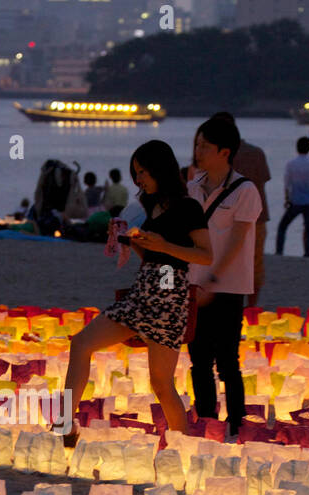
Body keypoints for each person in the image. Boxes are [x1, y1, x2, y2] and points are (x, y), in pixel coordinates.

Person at [62, 140, 212, 441]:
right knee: (81, 344)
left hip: (170, 295)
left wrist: (164, 245)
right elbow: (152, 255)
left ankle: (181, 446)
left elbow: (206, 255)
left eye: (142, 172)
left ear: (160, 170)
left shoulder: (188, 207)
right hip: (142, 291)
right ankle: (65, 424)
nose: (139, 179)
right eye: (135, 173)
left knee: (161, 382)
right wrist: (131, 241)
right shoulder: (150, 206)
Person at [187, 115, 262, 440]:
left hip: (228, 286)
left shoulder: (245, 190)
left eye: (205, 146)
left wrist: (213, 280)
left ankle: (235, 423)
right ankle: (206, 419)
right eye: (197, 144)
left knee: (227, 359)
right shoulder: (192, 187)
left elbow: (237, 241)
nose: (198, 151)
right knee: (198, 356)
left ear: (225, 151)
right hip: (195, 282)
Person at [205, 112, 271, 305]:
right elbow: (262, 184)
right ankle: (251, 308)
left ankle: (223, 303)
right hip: (256, 217)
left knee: (221, 263)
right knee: (254, 264)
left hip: (222, 220)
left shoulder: (215, 156)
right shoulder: (255, 153)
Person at [275, 137, 309, 257]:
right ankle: (308, 253)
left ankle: (279, 251)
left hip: (296, 201)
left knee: (282, 227)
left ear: (297, 148)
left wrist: (286, 199)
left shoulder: (291, 164)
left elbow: (287, 184)